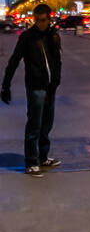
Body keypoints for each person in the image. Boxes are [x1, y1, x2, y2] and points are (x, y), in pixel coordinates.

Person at [2, 13, 64, 173]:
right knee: (34, 125)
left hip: (51, 87)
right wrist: (6, 84)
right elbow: (14, 60)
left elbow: (57, 62)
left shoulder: (53, 36)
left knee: (47, 124)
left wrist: (56, 82)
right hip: (35, 86)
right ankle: (31, 162)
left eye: (43, 20)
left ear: (49, 20)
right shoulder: (27, 37)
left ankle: (43, 157)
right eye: (37, 20)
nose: (40, 23)